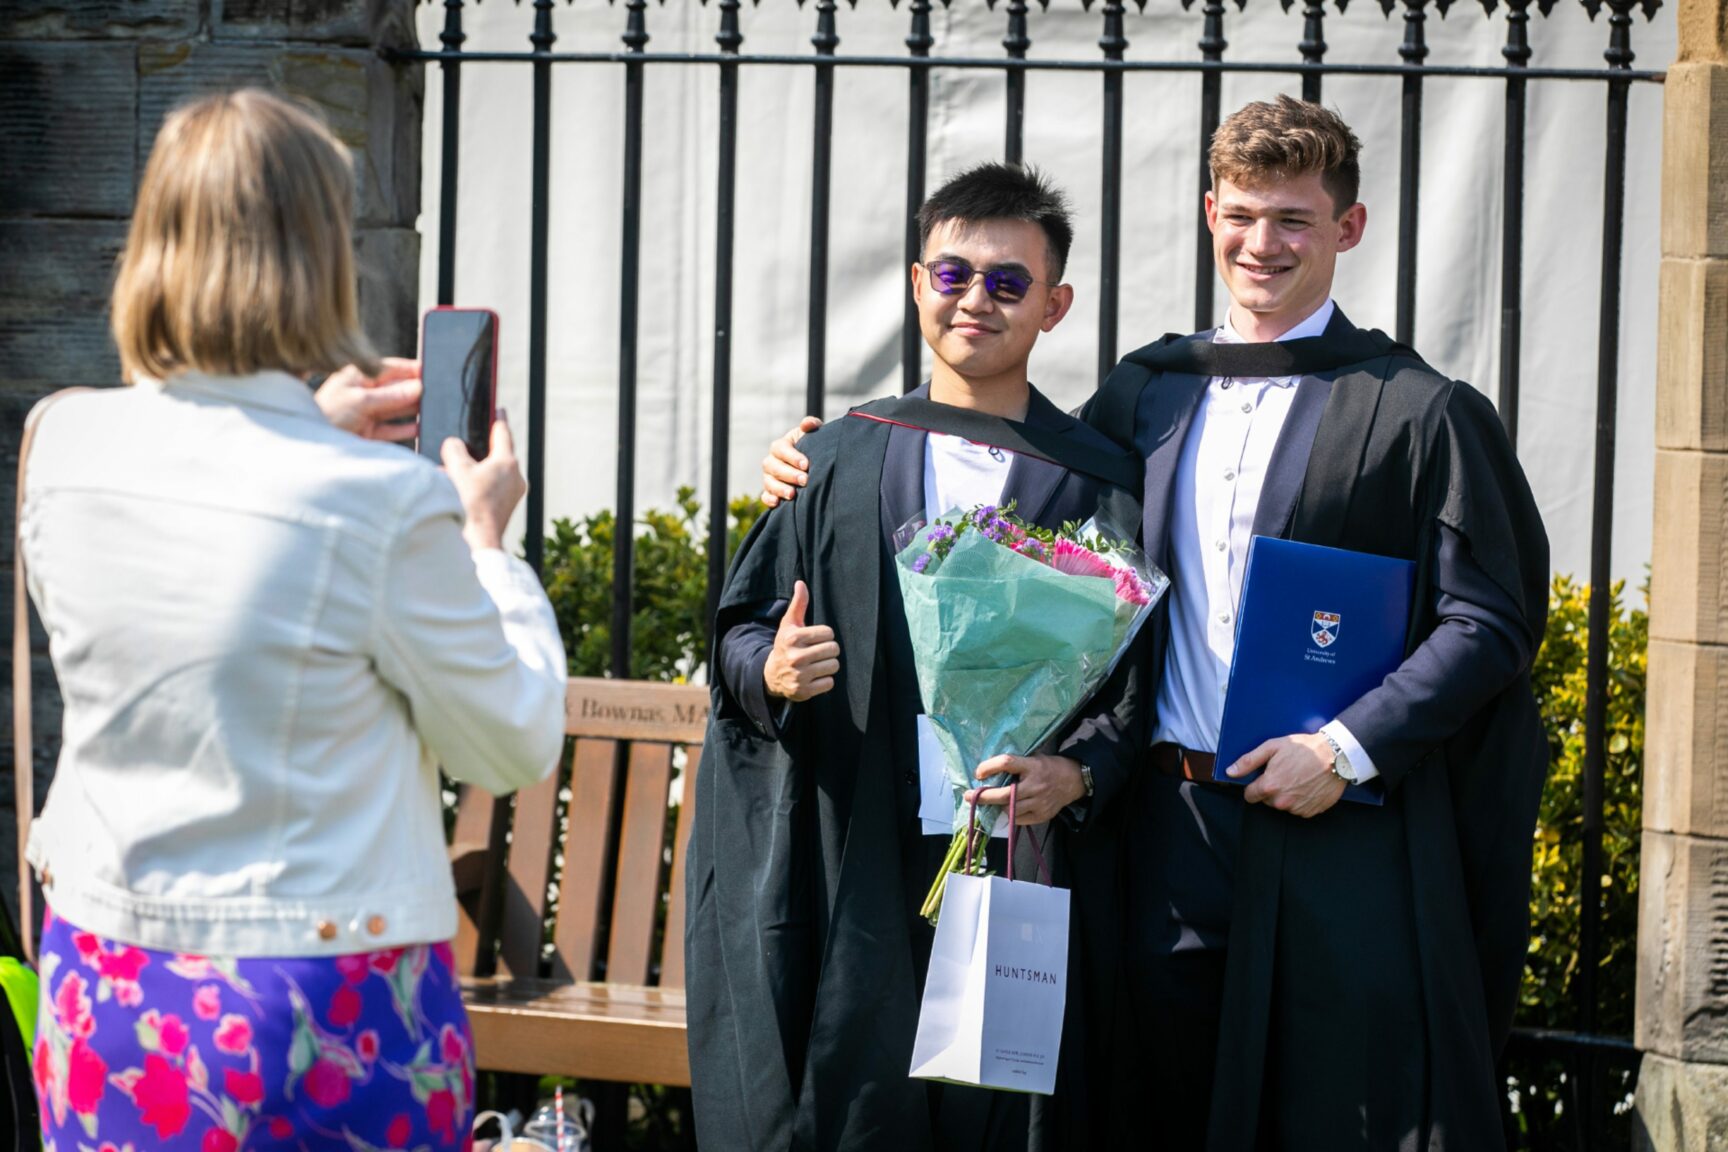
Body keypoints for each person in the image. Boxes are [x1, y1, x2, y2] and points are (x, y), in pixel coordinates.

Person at [762, 96, 1549, 1151]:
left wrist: (1343, 748)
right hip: (1163, 829)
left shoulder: (1416, 410)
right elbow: (1019, 502)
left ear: (1347, 228)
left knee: (1335, 1109)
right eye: (1242, 216)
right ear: (1210, 214)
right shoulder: (1150, 394)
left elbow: (1490, 618)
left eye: (1295, 220)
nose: (1262, 244)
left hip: (1332, 822)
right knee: (1154, 1105)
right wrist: (825, 456)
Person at [19, 89, 567, 1150]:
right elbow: (508, 744)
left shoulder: (62, 445)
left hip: (104, 983)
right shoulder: (378, 503)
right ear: (318, 256)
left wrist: (305, 426)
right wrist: (486, 544)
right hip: (316, 1011)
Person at [686, 163, 1145, 1152]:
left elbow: (1136, 688)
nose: (976, 299)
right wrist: (772, 670)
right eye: (953, 274)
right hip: (853, 843)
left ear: (1055, 305)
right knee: (854, 1101)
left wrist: (1077, 774)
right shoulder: (834, 459)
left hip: (1018, 851)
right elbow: (737, 630)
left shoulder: (1099, 481)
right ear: (916, 282)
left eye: (1009, 282)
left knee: (1001, 1107)